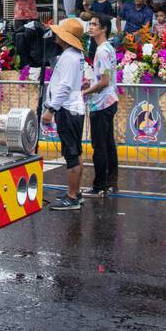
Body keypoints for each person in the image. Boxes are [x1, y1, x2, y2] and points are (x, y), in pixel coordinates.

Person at [42, 18, 88, 211]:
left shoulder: (69, 57)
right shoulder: (76, 55)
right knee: (76, 151)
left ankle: (71, 196)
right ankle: (75, 192)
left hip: (67, 108)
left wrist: (51, 109)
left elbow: (64, 86)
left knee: (71, 153)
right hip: (74, 107)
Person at [82, 14, 119, 198]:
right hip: (107, 101)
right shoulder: (107, 49)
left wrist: (85, 92)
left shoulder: (103, 51)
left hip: (102, 103)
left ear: (104, 28)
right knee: (108, 144)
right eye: (90, 24)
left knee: (101, 146)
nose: (91, 27)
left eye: (95, 24)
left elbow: (104, 81)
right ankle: (111, 182)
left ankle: (100, 186)